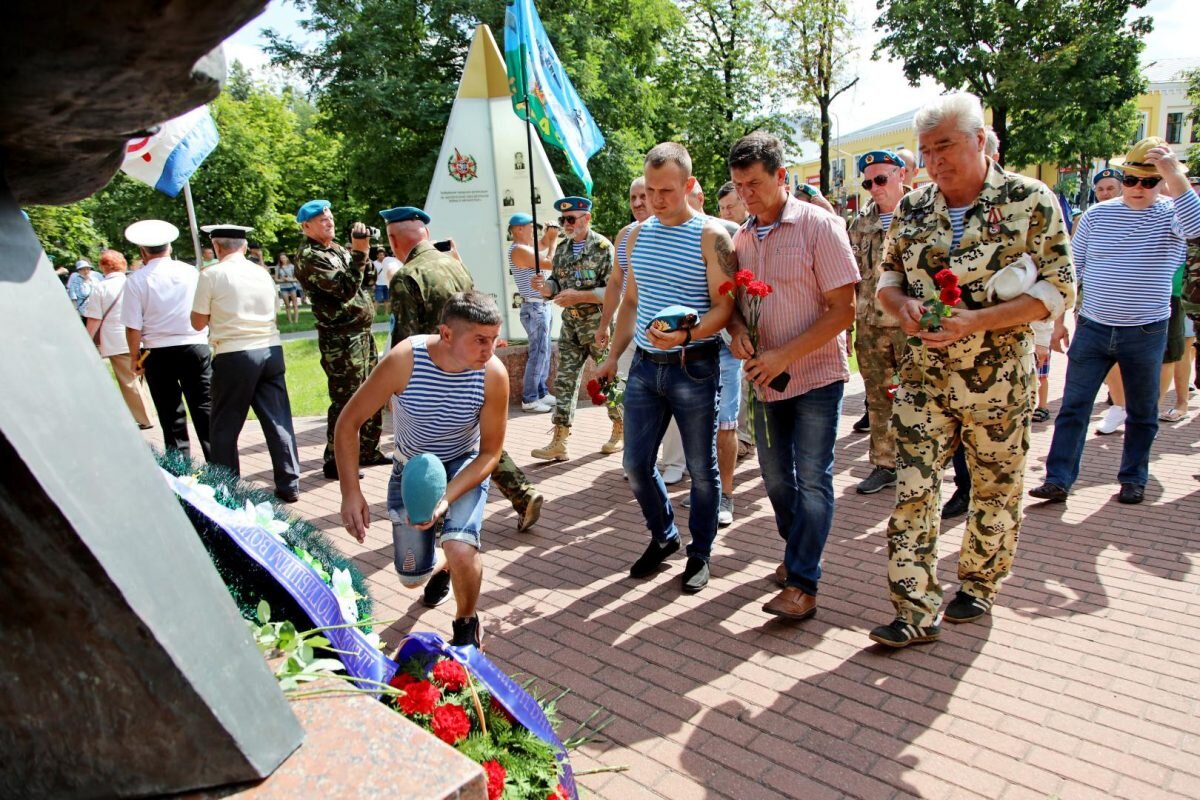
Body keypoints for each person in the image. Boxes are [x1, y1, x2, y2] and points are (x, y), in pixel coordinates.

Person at [869, 93, 1075, 648]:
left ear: (980, 141)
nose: (934, 160)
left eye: (946, 146)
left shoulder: (1029, 201)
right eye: (926, 149)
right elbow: (886, 280)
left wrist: (979, 320)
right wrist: (902, 308)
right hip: (923, 381)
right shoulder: (912, 208)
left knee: (995, 490)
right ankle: (914, 608)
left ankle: (981, 582)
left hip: (998, 381)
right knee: (913, 491)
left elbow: (1059, 288)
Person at [727, 132, 859, 620]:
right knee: (776, 478)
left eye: (755, 184)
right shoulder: (741, 237)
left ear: (783, 177)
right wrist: (738, 332)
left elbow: (843, 309)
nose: (747, 195)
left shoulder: (820, 227)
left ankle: (804, 580)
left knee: (813, 480)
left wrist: (785, 354)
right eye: (739, 185)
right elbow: (735, 307)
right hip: (766, 381)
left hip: (818, 377)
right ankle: (798, 549)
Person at [593, 142, 735, 593]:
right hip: (643, 367)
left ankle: (701, 553)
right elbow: (631, 301)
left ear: (690, 186)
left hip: (694, 367)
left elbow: (725, 308)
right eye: (650, 190)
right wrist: (614, 354)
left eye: (667, 191)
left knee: (701, 467)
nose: (655, 200)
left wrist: (687, 336)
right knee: (636, 464)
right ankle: (665, 535)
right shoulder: (635, 236)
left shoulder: (712, 236)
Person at [1032, 137, 1200, 506]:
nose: (1139, 188)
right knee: (1074, 407)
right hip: (1093, 327)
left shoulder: (1173, 213)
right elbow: (1071, 272)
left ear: (1161, 182)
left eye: (1150, 181)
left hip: (1145, 331)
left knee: (1142, 412)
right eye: (1132, 180)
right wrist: (1060, 321)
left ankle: (1133, 478)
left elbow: (1197, 228)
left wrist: (1174, 172)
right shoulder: (1096, 215)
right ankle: (1058, 479)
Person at [337, 291, 508, 649]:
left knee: (460, 546)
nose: (489, 350)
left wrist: (446, 498)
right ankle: (442, 567)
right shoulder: (405, 360)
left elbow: (490, 453)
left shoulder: (493, 374)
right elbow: (348, 423)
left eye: (493, 339)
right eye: (479, 340)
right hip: (411, 469)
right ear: (446, 334)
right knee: (412, 578)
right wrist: (351, 493)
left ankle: (465, 623)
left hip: (464, 463)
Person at [383, 205, 545, 533]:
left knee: (453, 444)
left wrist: (395, 387)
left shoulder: (406, 276)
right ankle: (521, 493)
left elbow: (405, 338)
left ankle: (438, 516)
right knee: (475, 440)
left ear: (393, 241)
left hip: (432, 369)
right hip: (471, 364)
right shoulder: (454, 264)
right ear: (426, 235)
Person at [191, 224, 301, 503]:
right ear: (243, 245)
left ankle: (227, 486)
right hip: (270, 348)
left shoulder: (211, 274)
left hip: (234, 352)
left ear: (216, 246)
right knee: (278, 419)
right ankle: (289, 482)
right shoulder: (262, 274)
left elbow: (197, 321)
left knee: (225, 424)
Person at [294, 199, 388, 480]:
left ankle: (368, 451)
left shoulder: (335, 250)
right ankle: (336, 460)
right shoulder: (310, 257)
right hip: (340, 339)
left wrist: (364, 252)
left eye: (331, 218)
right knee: (347, 399)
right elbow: (345, 289)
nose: (329, 222)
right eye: (322, 220)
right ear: (306, 226)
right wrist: (358, 254)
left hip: (361, 333)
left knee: (373, 392)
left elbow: (367, 279)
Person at [530, 196, 622, 461]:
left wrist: (579, 296)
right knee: (565, 380)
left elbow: (613, 291)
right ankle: (560, 439)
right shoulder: (562, 249)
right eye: (562, 220)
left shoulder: (603, 247)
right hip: (571, 325)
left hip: (598, 325)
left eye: (571, 219)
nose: (566, 224)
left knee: (609, 379)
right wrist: (546, 288)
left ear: (587, 218)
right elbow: (557, 284)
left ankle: (621, 428)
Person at [121, 219, 214, 461]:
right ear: (170, 247)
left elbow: (133, 327)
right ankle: (220, 466)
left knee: (170, 413)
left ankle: (181, 470)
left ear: (142, 251)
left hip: (156, 351)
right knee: (204, 408)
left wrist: (134, 358)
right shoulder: (190, 272)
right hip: (194, 344)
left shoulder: (136, 280)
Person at [848, 150, 911, 495]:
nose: (874, 187)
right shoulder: (861, 223)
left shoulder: (924, 214)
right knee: (878, 397)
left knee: (919, 394)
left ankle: (919, 463)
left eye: (881, 179)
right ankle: (884, 464)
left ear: (901, 174)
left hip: (910, 324)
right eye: (868, 182)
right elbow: (851, 277)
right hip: (871, 325)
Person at [83, 249, 154, 430]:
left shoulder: (101, 288)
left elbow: (94, 319)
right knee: (140, 380)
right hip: (143, 338)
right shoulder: (135, 282)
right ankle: (149, 413)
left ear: (104, 266)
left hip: (117, 340)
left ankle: (145, 418)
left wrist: (85, 340)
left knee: (129, 381)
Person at [1088, 168, 1130, 434]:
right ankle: (1120, 404)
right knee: (1107, 361)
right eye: (1101, 189)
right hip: (1092, 302)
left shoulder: (1142, 214)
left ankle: (1130, 408)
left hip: (1134, 307)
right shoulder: (1089, 218)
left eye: (1110, 188)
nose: (1105, 194)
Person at [508, 212, 559, 412]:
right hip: (534, 307)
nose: (533, 230)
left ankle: (541, 392)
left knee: (544, 351)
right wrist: (554, 241)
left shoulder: (527, 247)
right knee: (538, 353)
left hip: (541, 305)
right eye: (531, 226)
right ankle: (529, 399)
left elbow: (544, 243)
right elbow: (549, 262)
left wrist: (550, 233)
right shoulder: (519, 250)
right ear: (519, 229)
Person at [275, 253, 301, 325]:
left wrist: (289, 280)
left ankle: (296, 320)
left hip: (292, 286)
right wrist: (283, 280)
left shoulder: (292, 266)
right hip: (284, 288)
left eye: (284, 257)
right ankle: (290, 321)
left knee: (295, 304)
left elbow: (296, 279)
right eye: (281, 258)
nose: (283, 259)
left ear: (287, 258)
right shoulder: (278, 267)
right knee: (287, 305)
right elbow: (276, 279)